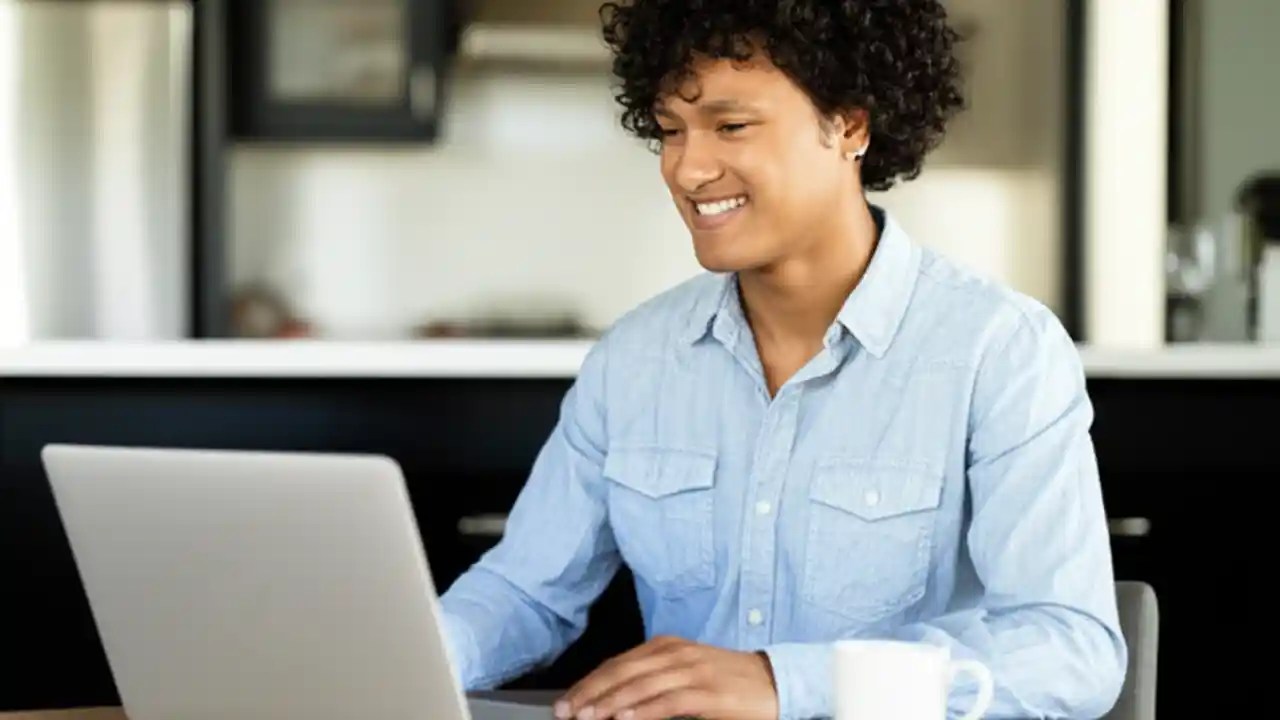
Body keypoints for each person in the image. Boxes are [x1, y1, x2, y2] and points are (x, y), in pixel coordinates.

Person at [439, 1, 1127, 718]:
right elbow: (524, 592)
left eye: (731, 126)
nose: (688, 169)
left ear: (850, 125)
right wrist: (401, 656)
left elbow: (1069, 649)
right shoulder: (634, 360)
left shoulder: (999, 351)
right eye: (670, 131)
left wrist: (785, 681)